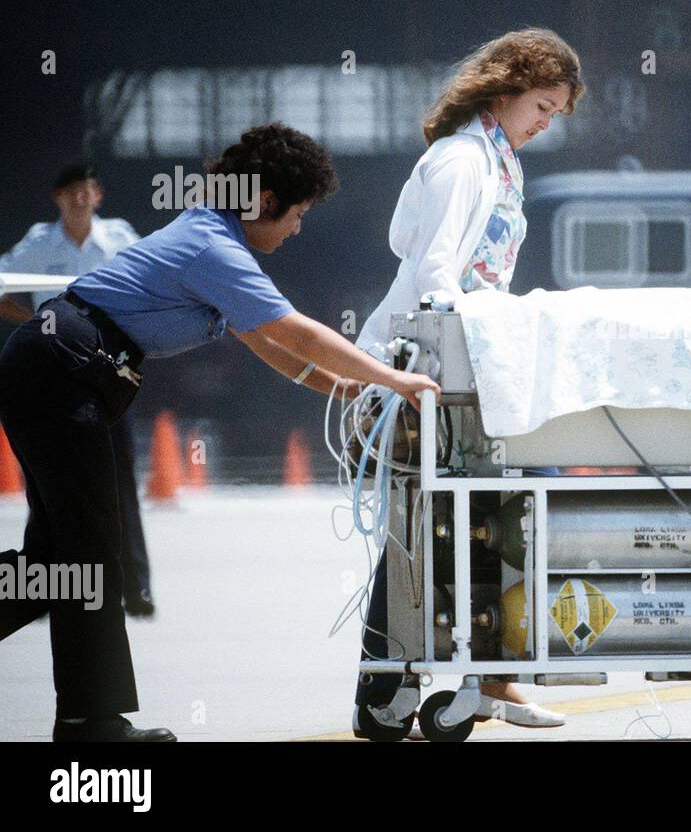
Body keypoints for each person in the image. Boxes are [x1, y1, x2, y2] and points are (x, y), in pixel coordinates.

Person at [0, 123, 439, 742]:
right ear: (263, 202)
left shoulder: (212, 235)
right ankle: (91, 725)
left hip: (57, 371)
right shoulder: (213, 246)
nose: (297, 227)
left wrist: (352, 390)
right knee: (88, 558)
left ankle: (86, 721)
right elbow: (297, 332)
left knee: (58, 562)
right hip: (60, 371)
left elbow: (272, 347)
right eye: (298, 213)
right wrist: (395, 382)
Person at [353, 27, 584, 737]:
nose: (547, 122)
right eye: (543, 105)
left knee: (494, 521)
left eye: (556, 112)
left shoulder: (499, 160)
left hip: (467, 370)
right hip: (421, 375)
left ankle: (492, 680)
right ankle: (385, 695)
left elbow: (414, 246)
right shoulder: (461, 159)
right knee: (420, 536)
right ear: (509, 88)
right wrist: (468, 341)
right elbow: (431, 273)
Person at [0, 163, 156, 617]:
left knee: (120, 480)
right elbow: (4, 285)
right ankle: (43, 586)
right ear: (58, 198)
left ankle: (135, 587)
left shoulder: (119, 238)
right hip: (51, 375)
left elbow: (149, 284)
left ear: (97, 195)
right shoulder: (38, 243)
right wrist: (34, 327)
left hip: (105, 373)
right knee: (47, 482)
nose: (79, 199)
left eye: (85, 191)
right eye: (70, 192)